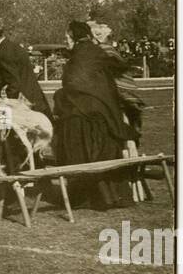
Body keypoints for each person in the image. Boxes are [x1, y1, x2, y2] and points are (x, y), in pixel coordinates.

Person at [53, 20, 133, 208]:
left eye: (67, 37)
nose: (66, 41)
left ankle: (89, 196)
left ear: (74, 37)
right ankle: (113, 195)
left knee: (70, 131)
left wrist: (60, 97)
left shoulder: (79, 56)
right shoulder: (97, 51)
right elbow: (119, 67)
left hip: (85, 115)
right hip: (105, 113)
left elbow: (73, 84)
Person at [0, 19, 51, 115]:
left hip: (25, 103)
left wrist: (9, 103)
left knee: (5, 125)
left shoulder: (3, 51)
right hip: (33, 97)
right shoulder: (12, 46)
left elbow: (13, 81)